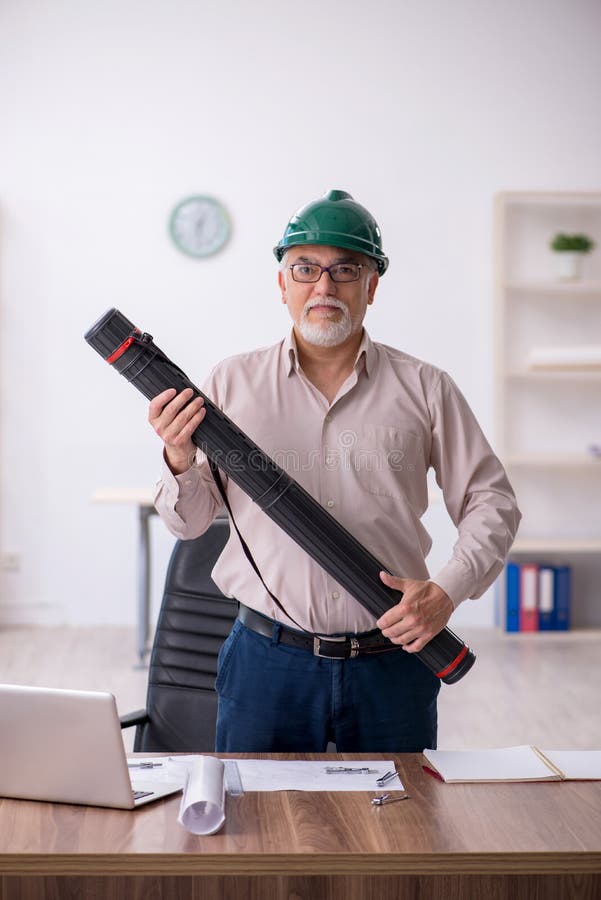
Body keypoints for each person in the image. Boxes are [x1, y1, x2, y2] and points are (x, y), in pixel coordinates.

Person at [149, 189, 520, 753]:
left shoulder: (426, 388)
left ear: (372, 286)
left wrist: (447, 590)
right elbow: (190, 524)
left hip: (392, 663)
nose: (324, 286)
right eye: (306, 268)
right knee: (257, 833)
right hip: (265, 662)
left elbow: (491, 502)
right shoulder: (229, 385)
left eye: (345, 269)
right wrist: (178, 458)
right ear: (282, 284)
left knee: (399, 830)